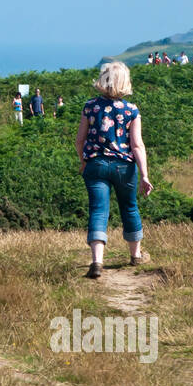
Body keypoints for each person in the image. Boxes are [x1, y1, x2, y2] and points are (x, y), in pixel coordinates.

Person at [75, 62, 152, 279]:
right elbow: (137, 145)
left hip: (95, 164)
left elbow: (79, 140)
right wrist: (144, 175)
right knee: (129, 207)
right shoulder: (131, 110)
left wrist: (83, 161)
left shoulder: (90, 107)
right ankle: (136, 255)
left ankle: (97, 262)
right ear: (124, 82)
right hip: (124, 167)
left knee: (98, 210)